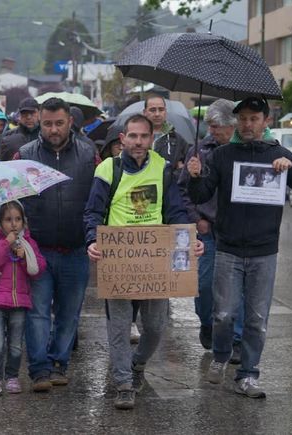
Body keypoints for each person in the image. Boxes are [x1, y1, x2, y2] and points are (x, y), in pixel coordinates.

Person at [187, 96, 292, 398]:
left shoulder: (279, 154)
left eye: (254, 119)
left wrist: (291, 168)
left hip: (264, 252)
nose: (247, 124)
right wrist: (195, 176)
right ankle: (221, 355)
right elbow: (200, 194)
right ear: (237, 121)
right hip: (228, 249)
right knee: (223, 314)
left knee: (257, 321)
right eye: (243, 118)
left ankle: (248, 374)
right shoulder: (222, 155)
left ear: (265, 122)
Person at [85, 114, 203, 410]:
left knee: (156, 326)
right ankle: (124, 383)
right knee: (119, 327)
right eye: (133, 136)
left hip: (155, 260)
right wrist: (92, 240)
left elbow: (174, 211)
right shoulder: (108, 169)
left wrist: (189, 239)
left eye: (144, 136)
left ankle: (137, 364)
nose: (138, 142)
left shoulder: (162, 168)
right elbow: (93, 212)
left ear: (152, 139)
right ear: (122, 138)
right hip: (118, 260)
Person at [16, 97, 98, 392]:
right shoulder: (25, 155)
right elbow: (12, 198)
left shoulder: (89, 154)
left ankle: (59, 362)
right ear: (40, 121)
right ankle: (39, 370)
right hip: (38, 249)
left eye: (59, 123)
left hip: (76, 248)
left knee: (69, 312)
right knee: (37, 312)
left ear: (70, 122)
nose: (53, 129)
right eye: (48, 123)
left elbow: (99, 197)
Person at [177, 99, 245, 353]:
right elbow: (183, 189)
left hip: (236, 229)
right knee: (204, 285)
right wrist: (197, 219)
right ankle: (207, 323)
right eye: (209, 126)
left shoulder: (244, 149)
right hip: (207, 230)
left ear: (232, 125)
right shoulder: (199, 150)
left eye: (216, 126)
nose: (211, 131)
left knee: (237, 288)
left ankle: (236, 339)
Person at [0, 200, 46, 397]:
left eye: (18, 219)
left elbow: (38, 269)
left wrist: (25, 256)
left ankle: (12, 376)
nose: (14, 224)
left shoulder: (28, 243)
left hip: (19, 302)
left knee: (16, 343)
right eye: (8, 220)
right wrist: (6, 243)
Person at [142, 94, 190, 178]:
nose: (157, 114)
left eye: (161, 109)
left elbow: (188, 167)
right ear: (144, 112)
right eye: (152, 110)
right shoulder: (136, 137)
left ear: (165, 112)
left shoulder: (177, 140)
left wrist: (174, 175)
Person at [0, 97, 40, 162]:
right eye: (24, 113)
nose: (28, 117)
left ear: (39, 113)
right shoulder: (7, 136)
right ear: (19, 115)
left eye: (32, 113)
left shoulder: (46, 136)